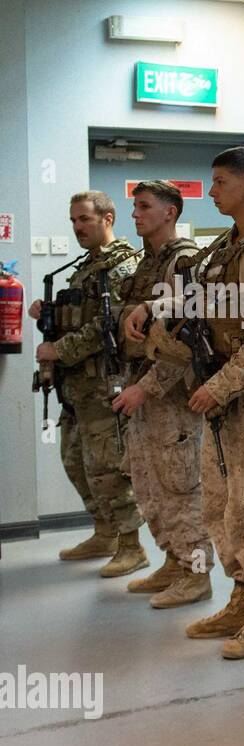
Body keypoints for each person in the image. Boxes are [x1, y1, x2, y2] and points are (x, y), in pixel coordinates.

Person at [128, 147, 244, 660]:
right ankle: (242, 596)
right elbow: (194, 301)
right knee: (218, 507)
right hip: (219, 400)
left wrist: (221, 386)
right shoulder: (224, 248)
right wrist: (148, 305)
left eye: (220, 182)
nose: (211, 192)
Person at [109, 180, 213, 607]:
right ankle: (173, 560)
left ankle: (197, 573)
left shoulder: (183, 260)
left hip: (169, 398)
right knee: (150, 486)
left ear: (170, 212)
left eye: (144, 207)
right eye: (134, 207)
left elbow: (185, 342)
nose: (135, 215)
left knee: (180, 488)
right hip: (141, 391)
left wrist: (146, 388)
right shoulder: (147, 264)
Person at [30, 191, 144, 575]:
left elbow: (106, 326)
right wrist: (47, 315)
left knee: (109, 466)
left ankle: (131, 544)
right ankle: (104, 531)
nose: (78, 227)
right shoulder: (85, 268)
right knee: (76, 461)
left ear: (107, 219)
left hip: (104, 384)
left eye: (85, 219)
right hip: (75, 387)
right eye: (74, 221)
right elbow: (80, 315)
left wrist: (58, 350)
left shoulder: (124, 266)